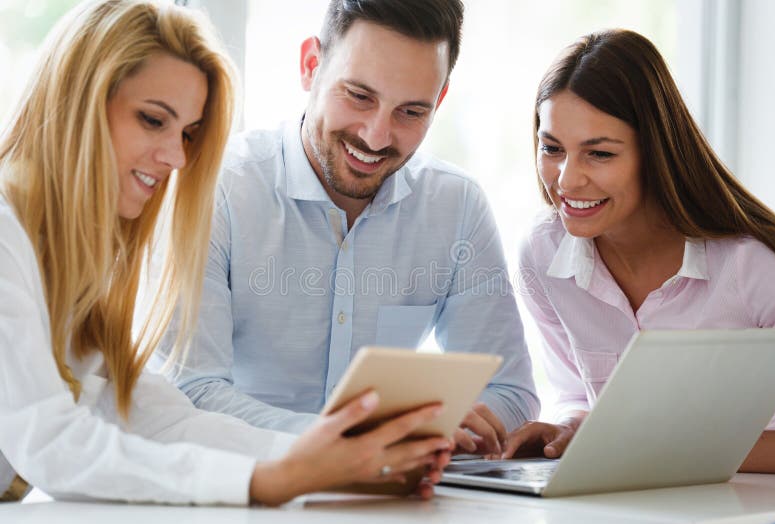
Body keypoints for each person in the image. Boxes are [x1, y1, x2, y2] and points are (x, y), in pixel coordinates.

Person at [0, 0, 452, 506]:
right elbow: (50, 442)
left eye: (188, 134)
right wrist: (268, 480)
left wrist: (339, 460)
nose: (176, 157)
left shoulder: (79, 251)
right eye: (153, 120)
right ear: (77, 101)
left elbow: (157, 416)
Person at [152, 0, 539, 455]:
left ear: (439, 101)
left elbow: (511, 392)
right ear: (311, 66)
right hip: (245, 492)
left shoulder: (456, 207)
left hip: (396, 501)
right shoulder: (217, 191)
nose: (376, 137)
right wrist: (364, 437)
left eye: (411, 112)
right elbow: (189, 392)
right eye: (359, 96)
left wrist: (448, 421)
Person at [501, 28, 775, 474]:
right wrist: (568, 430)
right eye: (552, 149)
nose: (566, 180)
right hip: (622, 504)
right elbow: (578, 397)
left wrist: (663, 449)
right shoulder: (544, 255)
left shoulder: (753, 269)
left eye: (599, 154)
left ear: (655, 153)